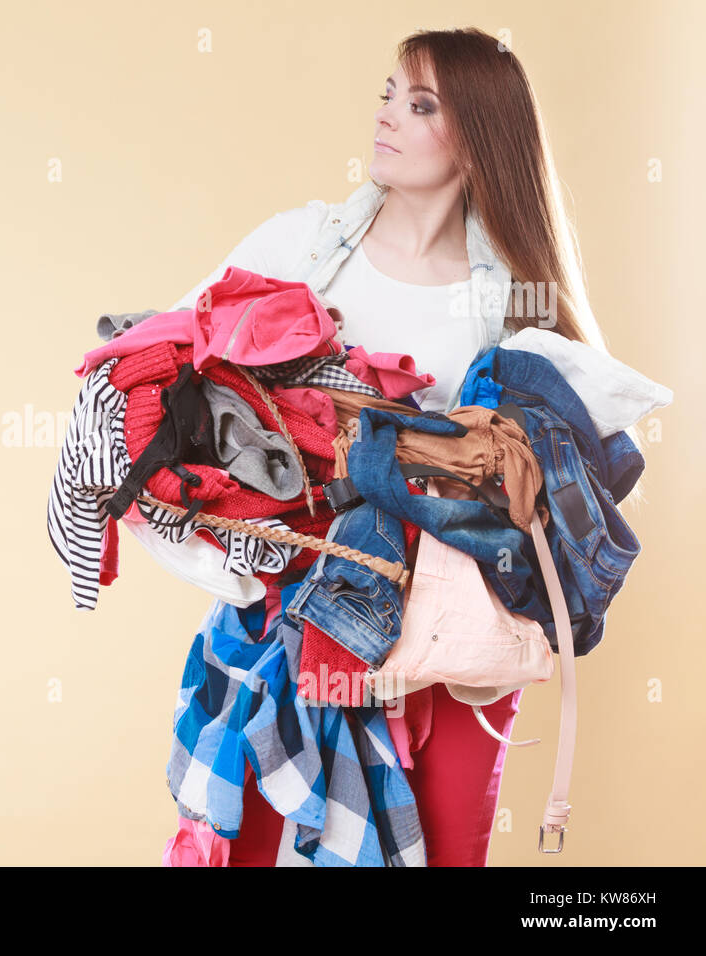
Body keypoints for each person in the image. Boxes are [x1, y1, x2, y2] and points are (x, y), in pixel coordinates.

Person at [165, 27, 614, 866]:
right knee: (261, 844)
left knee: (440, 853)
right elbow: (170, 376)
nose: (386, 118)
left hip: (449, 649)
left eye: (420, 104)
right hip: (292, 625)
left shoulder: (514, 303)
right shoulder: (299, 248)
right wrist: (223, 560)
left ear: (477, 138)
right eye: (386, 95)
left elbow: (573, 481)